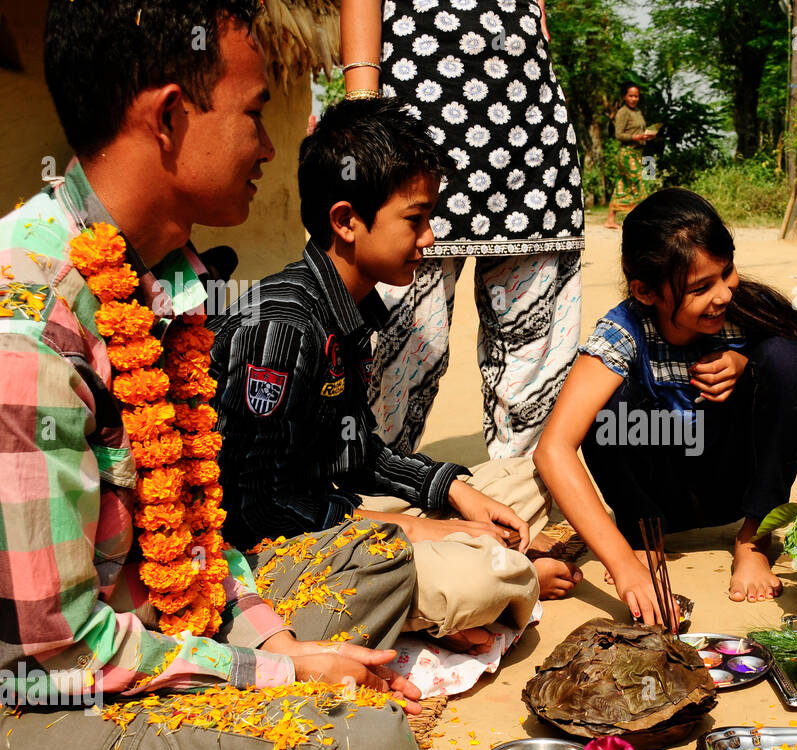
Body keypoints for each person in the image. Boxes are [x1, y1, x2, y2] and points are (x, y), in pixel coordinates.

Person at [0, 0, 422, 750]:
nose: (271, 148)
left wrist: (273, 636)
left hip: (155, 620)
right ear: (167, 118)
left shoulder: (167, 279)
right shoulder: (31, 318)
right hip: (40, 699)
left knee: (380, 561)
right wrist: (274, 672)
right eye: (256, 112)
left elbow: (199, 531)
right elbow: (61, 650)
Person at [211, 98, 581, 659]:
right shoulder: (282, 330)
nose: (430, 238)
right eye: (416, 219)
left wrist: (453, 491)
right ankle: (495, 583)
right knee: (473, 581)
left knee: (522, 481)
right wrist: (416, 530)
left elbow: (357, 454)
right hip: (278, 552)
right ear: (346, 221)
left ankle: (488, 574)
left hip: (335, 512)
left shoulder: (349, 311)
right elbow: (256, 511)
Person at [535, 188, 797, 622]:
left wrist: (746, 363)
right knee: (601, 401)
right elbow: (553, 449)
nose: (723, 294)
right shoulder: (621, 331)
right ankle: (643, 539)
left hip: (731, 488)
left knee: (787, 360)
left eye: (727, 273)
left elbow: (794, 374)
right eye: (701, 287)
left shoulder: (745, 314)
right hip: (657, 499)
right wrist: (624, 567)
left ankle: (752, 539)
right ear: (646, 292)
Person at [340, 0, 585, 460]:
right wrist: (362, 111)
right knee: (396, 346)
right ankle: (367, 489)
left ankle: (520, 503)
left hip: (531, 128)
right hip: (416, 113)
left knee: (535, 349)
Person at [604, 81, 655, 230]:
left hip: (641, 153)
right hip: (627, 153)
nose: (634, 99)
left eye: (636, 96)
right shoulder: (622, 112)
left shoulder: (638, 112)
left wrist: (647, 136)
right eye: (631, 96)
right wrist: (636, 137)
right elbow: (618, 135)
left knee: (623, 185)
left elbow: (640, 130)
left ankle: (610, 220)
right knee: (641, 183)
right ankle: (641, 219)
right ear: (624, 97)